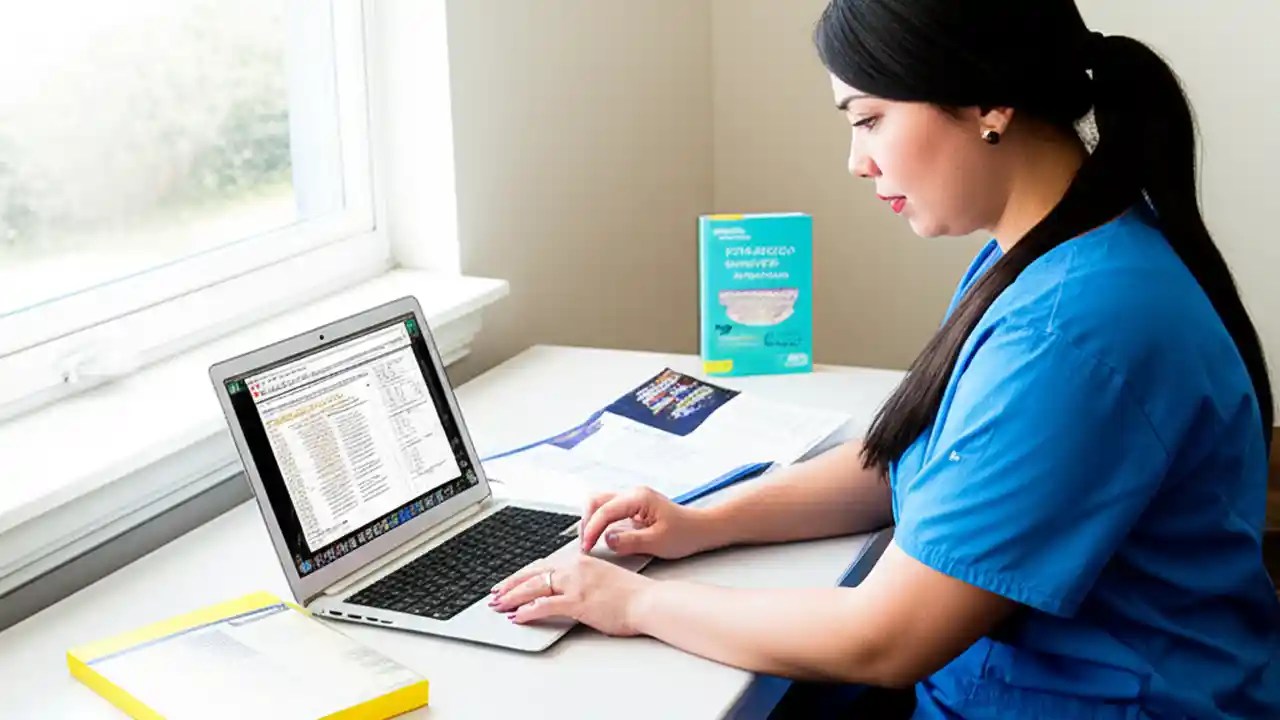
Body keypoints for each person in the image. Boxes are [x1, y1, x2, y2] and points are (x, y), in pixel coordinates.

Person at [488, 0, 1280, 716]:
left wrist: (630, 605)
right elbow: (921, 453)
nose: (856, 161)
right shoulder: (1058, 247)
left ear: (987, 104)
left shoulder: (1073, 329)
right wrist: (702, 523)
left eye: (867, 119)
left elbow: (886, 638)